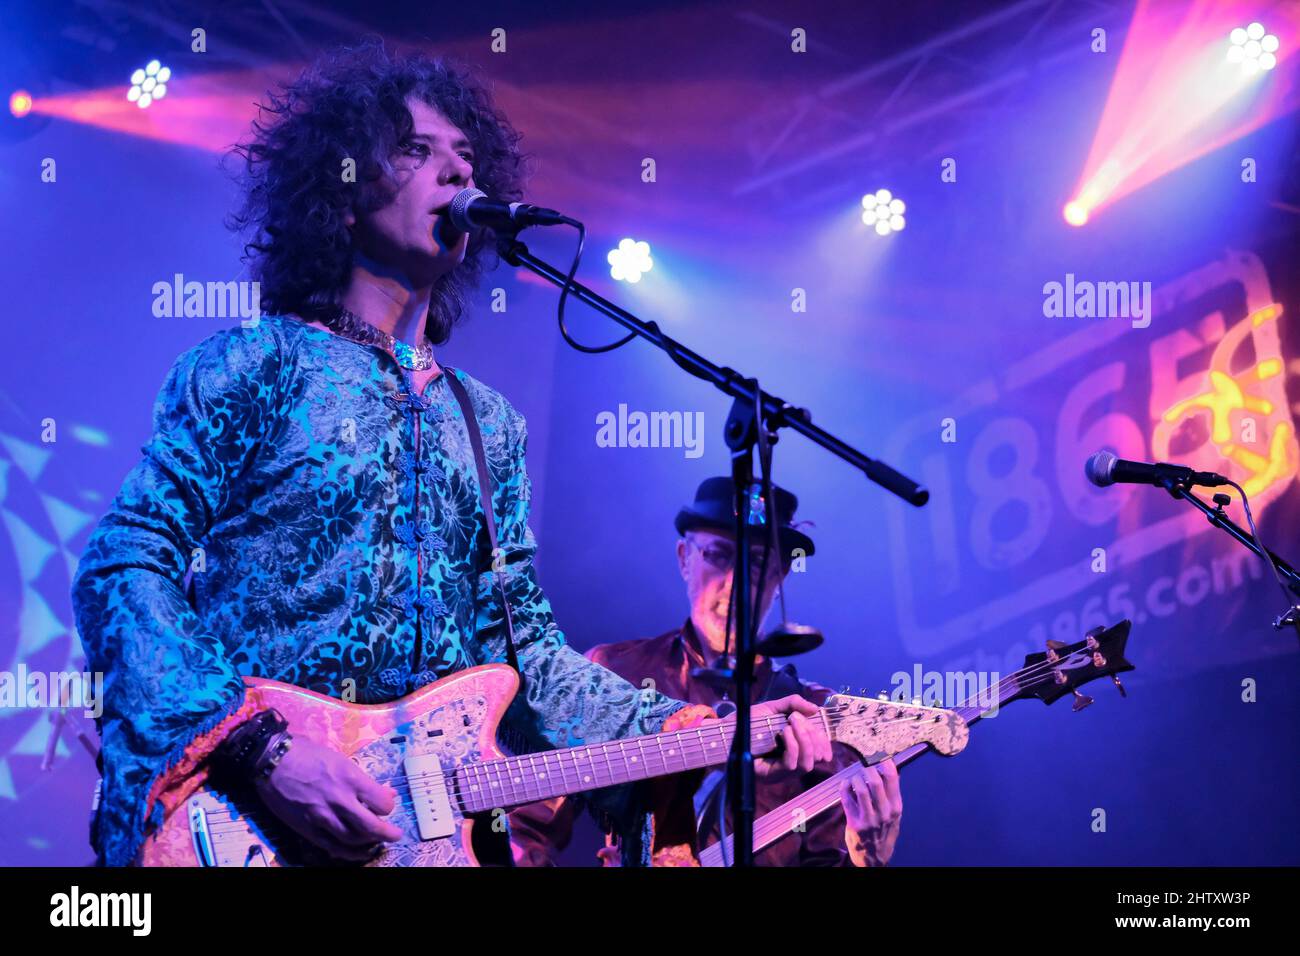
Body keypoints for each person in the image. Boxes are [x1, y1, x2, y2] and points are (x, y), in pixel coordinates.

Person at [70, 41, 827, 867]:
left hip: (409, 838)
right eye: (417, 150)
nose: (456, 174)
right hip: (243, 815)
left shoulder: (488, 424)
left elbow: (525, 653)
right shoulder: (257, 364)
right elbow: (124, 563)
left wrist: (705, 732)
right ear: (345, 189)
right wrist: (264, 752)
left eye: (467, 158)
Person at [510, 477, 903, 866]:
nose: (734, 583)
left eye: (756, 563)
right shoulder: (613, 673)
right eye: (719, 555)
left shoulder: (815, 717)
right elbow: (527, 830)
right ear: (684, 558)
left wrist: (866, 858)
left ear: (780, 577)